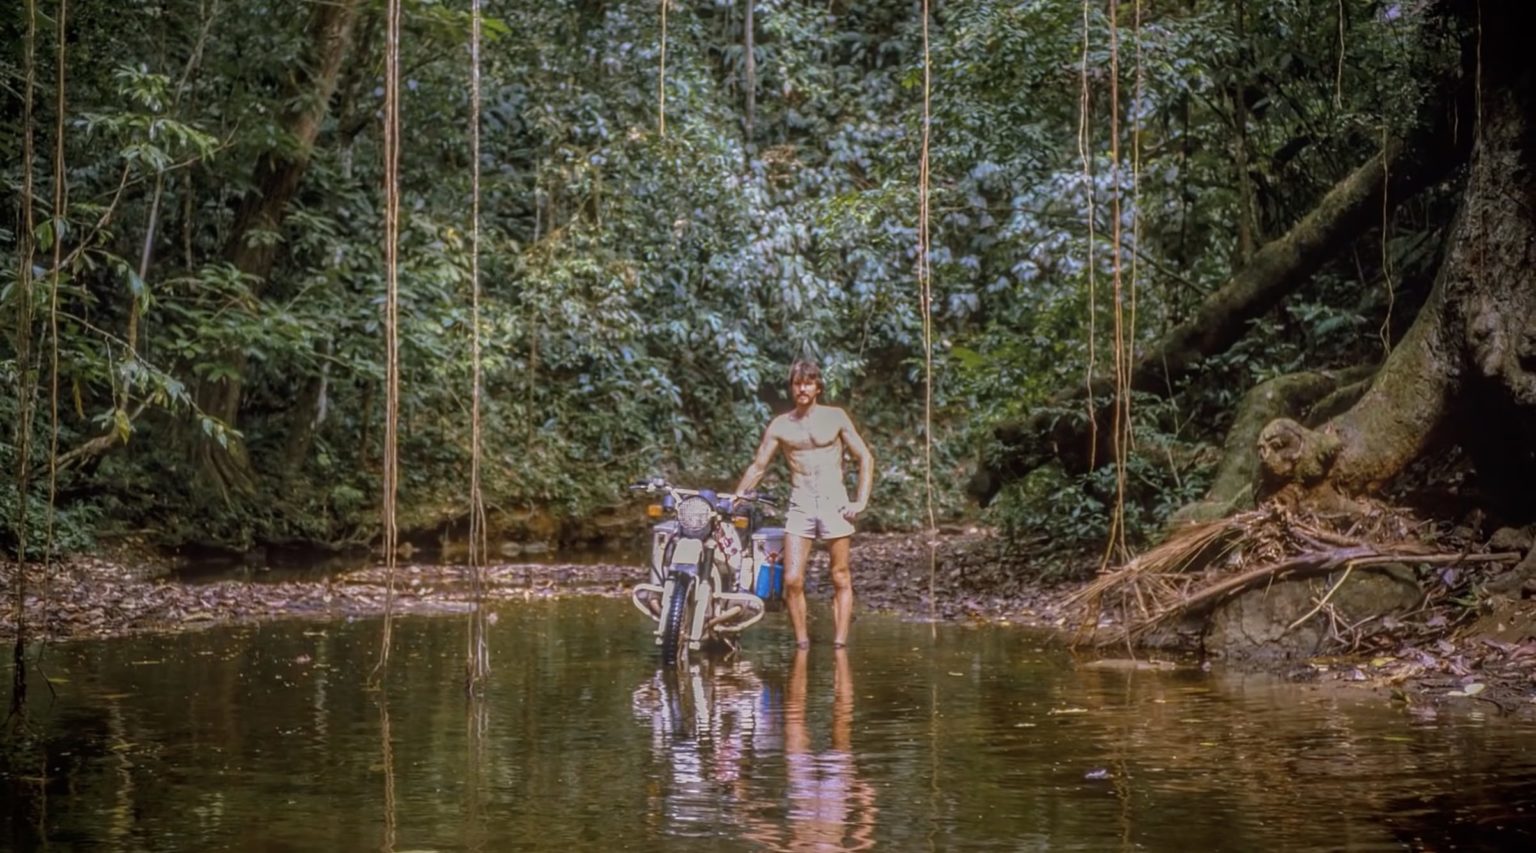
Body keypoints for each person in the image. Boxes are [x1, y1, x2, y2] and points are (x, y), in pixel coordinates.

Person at [734, 359, 873, 648]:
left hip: (835, 502)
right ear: (792, 388)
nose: (802, 388)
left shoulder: (835, 417)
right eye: (798, 383)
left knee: (840, 575)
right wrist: (737, 497)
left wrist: (860, 501)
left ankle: (839, 646)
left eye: (808, 382)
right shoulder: (781, 425)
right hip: (801, 503)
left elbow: (865, 457)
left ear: (818, 387)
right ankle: (802, 645)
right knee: (793, 578)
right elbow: (759, 466)